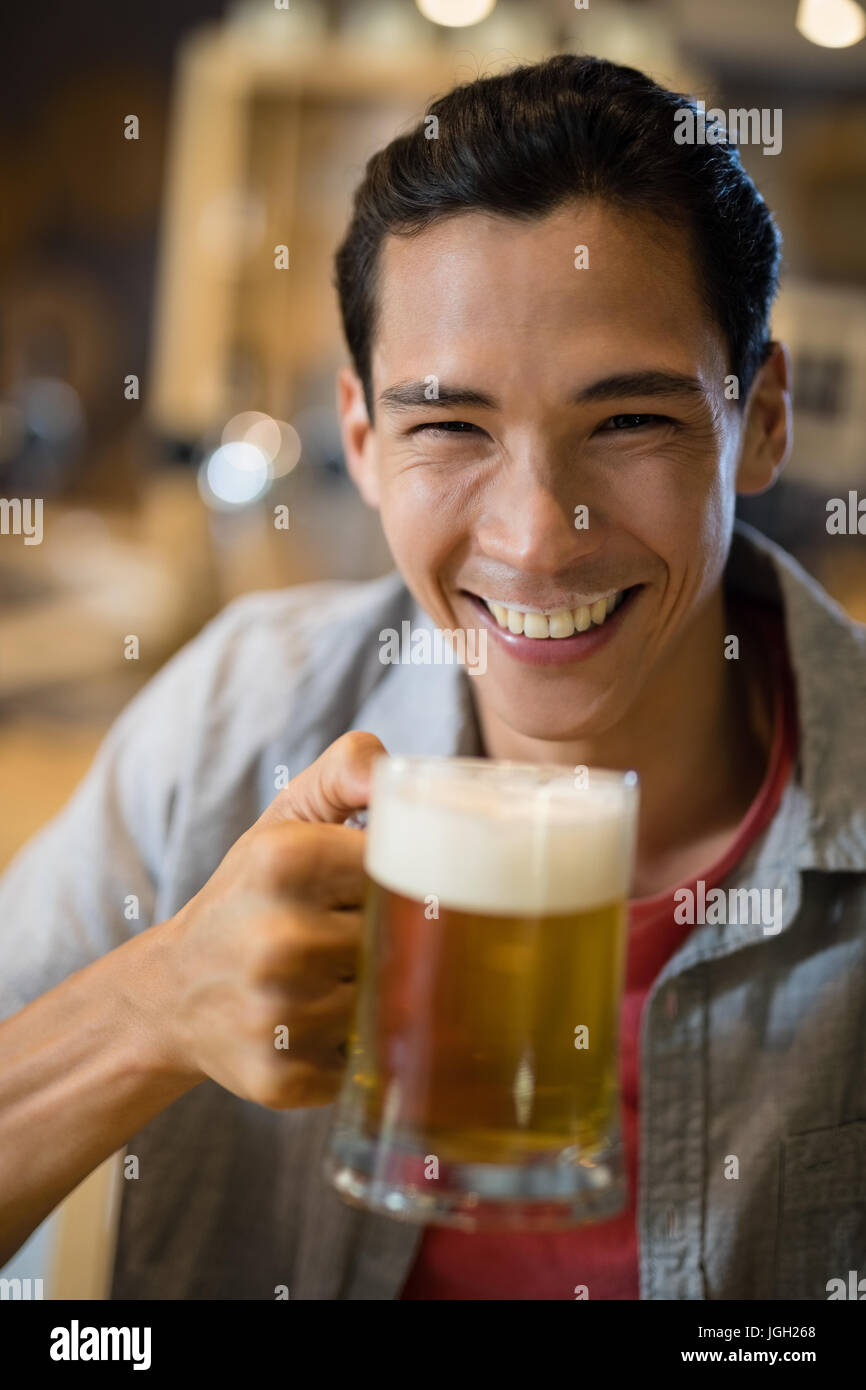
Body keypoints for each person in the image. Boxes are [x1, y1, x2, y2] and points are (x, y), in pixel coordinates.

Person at [1, 54, 864, 1301]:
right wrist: (152, 1005)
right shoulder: (238, 723)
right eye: (449, 427)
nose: (534, 535)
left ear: (761, 418)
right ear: (360, 437)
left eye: (626, 422)